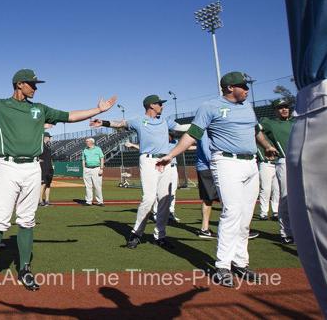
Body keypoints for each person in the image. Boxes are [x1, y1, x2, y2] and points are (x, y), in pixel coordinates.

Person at [0, 0, 327, 309]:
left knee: (227, 213)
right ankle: (199, 250)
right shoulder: (180, 112)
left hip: (294, 127)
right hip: (166, 162)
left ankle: (199, 248)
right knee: (197, 209)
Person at [0, 69, 116, 292]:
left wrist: (98, 109)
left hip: (32, 167)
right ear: (19, 84)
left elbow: (70, 116)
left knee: (27, 221)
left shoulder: (40, 109)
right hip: (7, 167)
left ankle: (25, 270)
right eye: (32, 84)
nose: (35, 88)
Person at [158, 72, 278, 287]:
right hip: (226, 162)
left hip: (251, 163)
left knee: (245, 217)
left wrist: (267, 146)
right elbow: (192, 134)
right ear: (230, 88)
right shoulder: (210, 106)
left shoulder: (248, 107)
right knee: (231, 212)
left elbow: (256, 131)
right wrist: (171, 154)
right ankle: (222, 265)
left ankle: (240, 262)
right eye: (244, 86)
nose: (247, 89)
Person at [91, 95, 185, 249]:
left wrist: (203, 123)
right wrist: (103, 122)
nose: (162, 106)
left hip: (166, 161)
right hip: (148, 160)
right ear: (151, 105)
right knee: (148, 198)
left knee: (164, 200)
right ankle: (136, 233)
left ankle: (160, 235)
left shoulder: (166, 120)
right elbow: (120, 124)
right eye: (160, 103)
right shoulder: (138, 121)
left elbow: (181, 128)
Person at [259, 98, 295, 244]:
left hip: (303, 162)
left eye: (286, 107)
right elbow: (254, 129)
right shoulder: (270, 123)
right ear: (275, 110)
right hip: (284, 161)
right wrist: (267, 145)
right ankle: (285, 232)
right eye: (280, 108)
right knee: (286, 197)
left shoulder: (297, 121)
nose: (284, 109)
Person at [257, 144, 280, 221]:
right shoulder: (260, 137)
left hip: (277, 163)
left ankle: (276, 211)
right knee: (266, 189)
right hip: (266, 163)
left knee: (277, 189)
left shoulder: (275, 136)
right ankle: (263, 212)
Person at [81, 137, 104, 206]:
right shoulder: (85, 150)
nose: (86, 142)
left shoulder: (98, 149)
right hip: (87, 169)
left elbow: (102, 158)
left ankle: (100, 201)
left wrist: (101, 168)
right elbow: (83, 159)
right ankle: (88, 201)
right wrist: (84, 168)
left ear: (91, 142)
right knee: (88, 186)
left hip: (96, 169)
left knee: (97, 186)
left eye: (87, 141)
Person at [40, 132, 55, 206]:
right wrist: (38, 160)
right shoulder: (40, 145)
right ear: (45, 137)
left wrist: (52, 165)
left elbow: (50, 157)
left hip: (49, 167)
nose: (50, 138)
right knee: (43, 184)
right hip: (43, 167)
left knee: (48, 184)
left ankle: (47, 200)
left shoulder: (48, 146)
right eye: (49, 137)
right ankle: (40, 200)